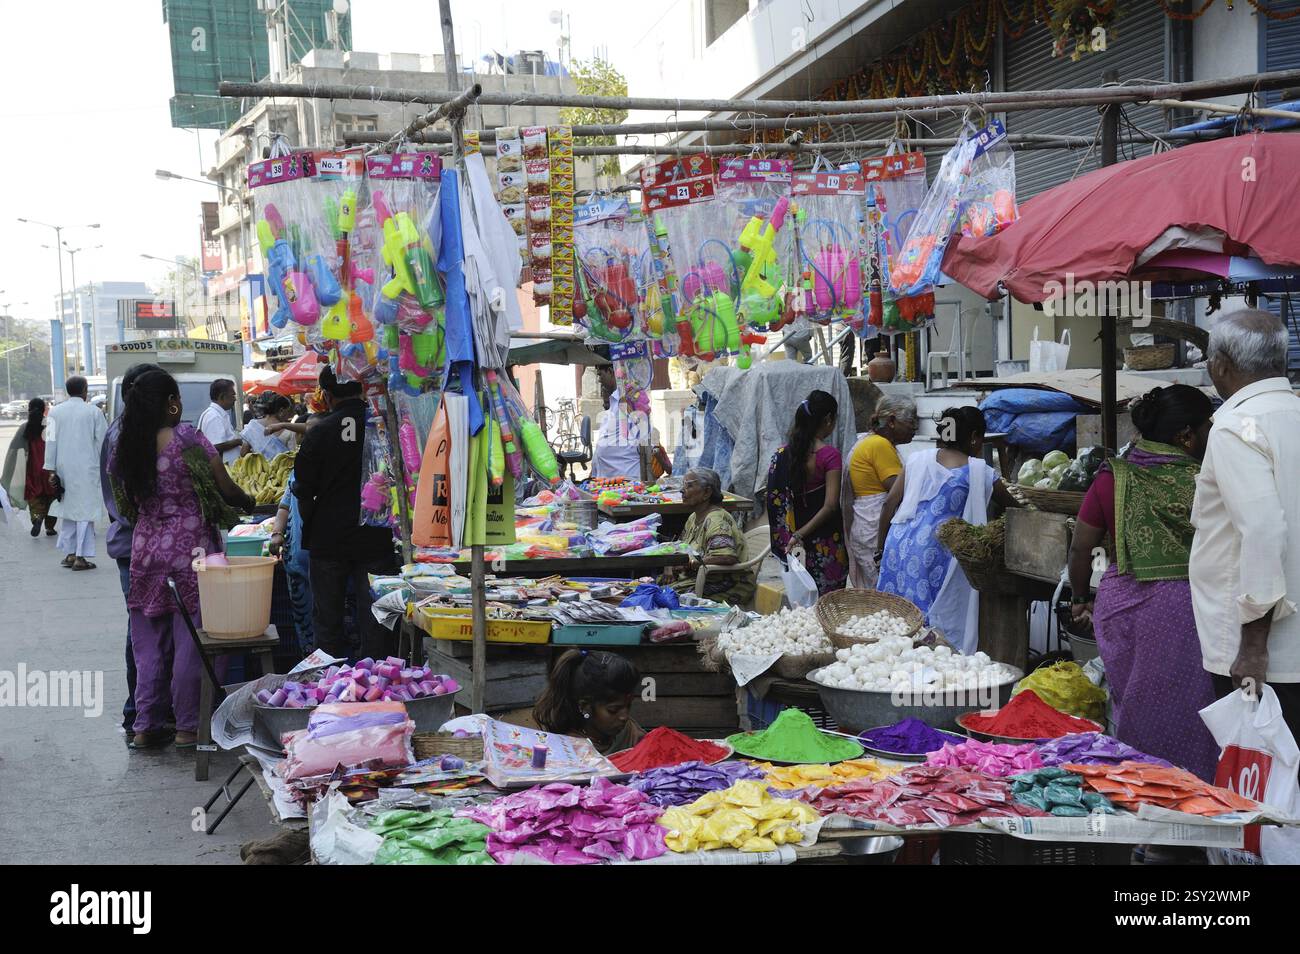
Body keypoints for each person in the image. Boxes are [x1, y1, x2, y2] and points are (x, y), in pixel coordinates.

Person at [1068, 385, 1219, 780]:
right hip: (1187, 608)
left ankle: (1139, 793)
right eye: (1208, 426)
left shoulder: (1112, 477)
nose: (1213, 433)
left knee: (1136, 702)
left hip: (1124, 608)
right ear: (1185, 436)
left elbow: (1081, 549)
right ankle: (1194, 800)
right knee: (1191, 710)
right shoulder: (1208, 477)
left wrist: (1081, 599)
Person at [109, 368, 255, 749]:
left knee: (148, 645)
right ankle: (188, 726)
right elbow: (224, 487)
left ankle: (145, 726)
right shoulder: (188, 440)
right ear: (171, 403)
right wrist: (247, 502)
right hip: (192, 552)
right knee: (194, 639)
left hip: (144, 551)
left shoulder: (126, 445)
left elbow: (124, 504)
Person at [1190, 309, 1300, 743]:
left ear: (1220, 366)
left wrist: (1253, 645)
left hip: (1262, 653)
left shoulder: (1237, 426)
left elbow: (1263, 530)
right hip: (1280, 652)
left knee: (1263, 787)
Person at [877, 406, 1019, 654]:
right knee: (929, 618)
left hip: (898, 544)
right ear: (974, 437)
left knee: (898, 613)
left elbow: (890, 503)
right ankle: (928, 666)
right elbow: (1014, 507)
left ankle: (891, 660)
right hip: (934, 550)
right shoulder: (979, 470)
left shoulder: (916, 459)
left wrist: (880, 550)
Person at [294, 367, 398, 660]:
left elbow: (303, 489)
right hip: (376, 538)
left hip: (328, 538)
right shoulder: (384, 427)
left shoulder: (320, 432)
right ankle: (379, 685)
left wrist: (312, 523)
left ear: (326, 396)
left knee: (328, 625)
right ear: (361, 389)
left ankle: (330, 688)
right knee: (379, 620)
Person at [100, 363, 164, 736]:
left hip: (138, 542)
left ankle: (145, 712)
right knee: (142, 631)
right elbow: (130, 503)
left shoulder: (132, 430)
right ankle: (137, 713)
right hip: (134, 545)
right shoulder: (126, 434)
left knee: (145, 630)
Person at [765, 389, 848, 595]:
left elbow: (775, 501)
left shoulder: (782, 454)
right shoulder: (829, 456)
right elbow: (830, 506)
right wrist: (801, 534)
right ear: (828, 419)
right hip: (825, 543)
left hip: (793, 545)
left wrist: (793, 536)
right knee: (828, 605)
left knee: (802, 604)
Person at [844, 395, 918, 588]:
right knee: (883, 592)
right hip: (873, 528)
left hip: (865, 526)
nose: (915, 427)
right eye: (911, 421)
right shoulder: (879, 445)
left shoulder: (870, 441)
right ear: (892, 421)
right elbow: (897, 490)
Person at [269, 415, 322, 654]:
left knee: (328, 620)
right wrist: (277, 534)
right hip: (296, 562)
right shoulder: (297, 470)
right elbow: (284, 506)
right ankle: (309, 667)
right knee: (304, 623)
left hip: (326, 561)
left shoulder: (335, 469)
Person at [665, 467, 755, 606]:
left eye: (689, 486)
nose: (682, 491)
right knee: (653, 586)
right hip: (700, 576)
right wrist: (670, 565)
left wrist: (691, 564)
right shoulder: (693, 517)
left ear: (707, 492)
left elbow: (727, 556)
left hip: (727, 582)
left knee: (665, 596)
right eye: (683, 485)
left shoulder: (715, 519)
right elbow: (681, 547)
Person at [45, 375, 106, 570]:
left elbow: (50, 442)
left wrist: (51, 470)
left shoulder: (55, 413)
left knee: (69, 511)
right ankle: (80, 556)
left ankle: (70, 553)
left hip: (63, 469)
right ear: (85, 390)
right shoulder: (94, 412)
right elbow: (103, 442)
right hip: (88, 468)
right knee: (85, 513)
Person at [534, 649, 646, 755]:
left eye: (628, 706)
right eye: (613, 710)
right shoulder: (569, 750)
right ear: (585, 707)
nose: (624, 717)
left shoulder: (629, 732)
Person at [2, 398, 59, 537]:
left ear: (29, 410)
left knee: (35, 496)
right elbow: (58, 446)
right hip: (50, 468)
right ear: (44, 409)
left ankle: (37, 518)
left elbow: (13, 450)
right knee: (51, 497)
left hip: (33, 470)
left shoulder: (24, 427)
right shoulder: (50, 426)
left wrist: (8, 473)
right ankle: (50, 527)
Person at [591, 364, 651, 480]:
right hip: (607, 481)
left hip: (627, 479)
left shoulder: (630, 397)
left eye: (600, 375)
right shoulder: (613, 402)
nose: (599, 380)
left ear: (610, 371)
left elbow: (643, 432)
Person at [196, 379, 244, 465]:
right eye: (233, 395)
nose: (235, 399)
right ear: (222, 397)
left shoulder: (218, 413)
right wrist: (238, 441)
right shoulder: (214, 416)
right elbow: (214, 447)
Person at [242, 394, 295, 460]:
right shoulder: (289, 431)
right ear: (281, 411)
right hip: (280, 470)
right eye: (288, 411)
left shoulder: (253, 426)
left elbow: (243, 453)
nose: (289, 415)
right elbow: (292, 458)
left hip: (255, 469)